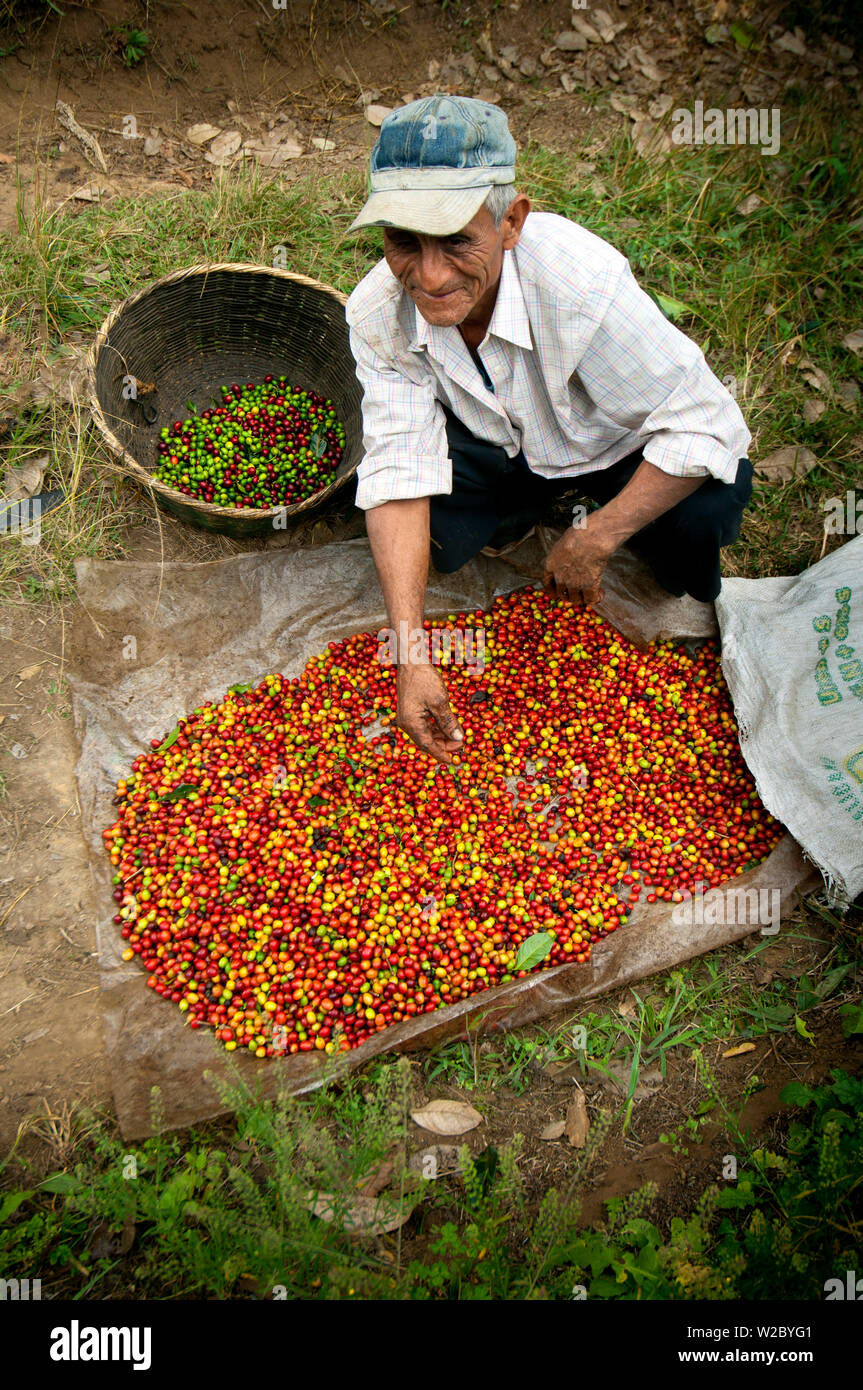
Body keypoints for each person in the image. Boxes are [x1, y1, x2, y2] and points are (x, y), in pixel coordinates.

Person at [345, 94, 753, 765]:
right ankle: (535, 514)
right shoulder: (377, 313)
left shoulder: (579, 284)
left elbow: (708, 424)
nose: (429, 275)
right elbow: (398, 469)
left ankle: (592, 517)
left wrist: (600, 536)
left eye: (456, 241)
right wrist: (410, 652)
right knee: (427, 535)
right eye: (401, 243)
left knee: (701, 516)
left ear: (511, 221)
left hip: (613, 450)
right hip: (499, 449)